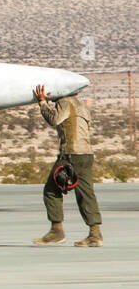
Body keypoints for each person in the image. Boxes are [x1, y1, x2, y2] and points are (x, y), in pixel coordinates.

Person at [32, 84, 102, 247]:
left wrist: (42, 103)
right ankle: (95, 233)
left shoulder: (65, 102)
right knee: (86, 193)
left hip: (71, 153)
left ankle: (56, 231)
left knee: (51, 190)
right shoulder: (81, 104)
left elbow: (55, 119)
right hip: (86, 153)